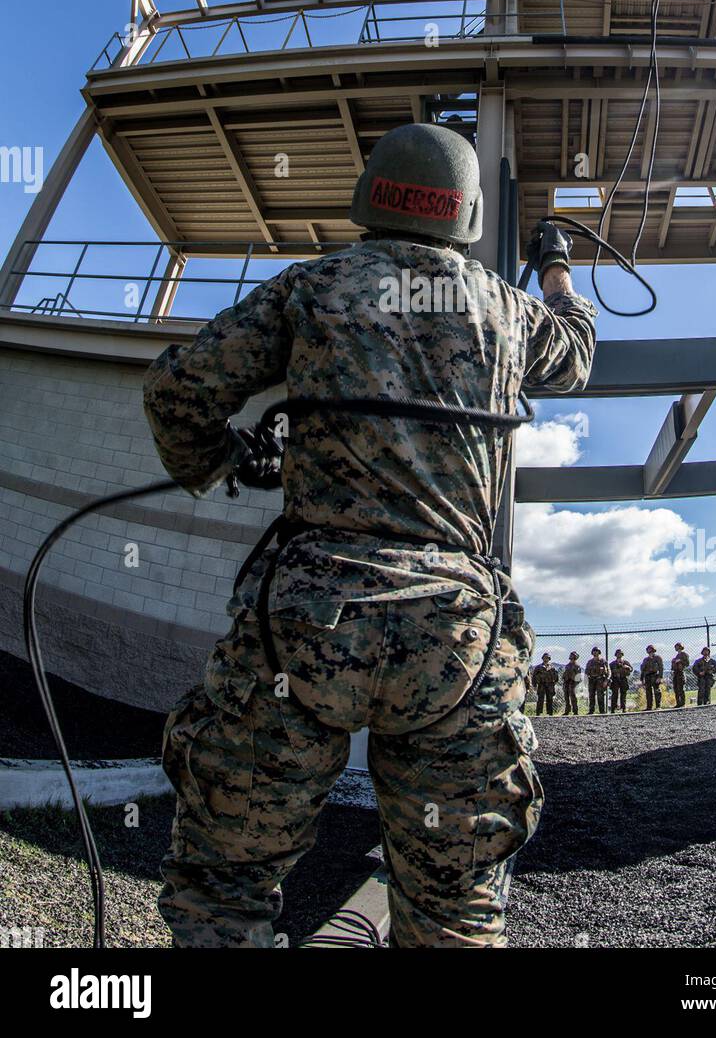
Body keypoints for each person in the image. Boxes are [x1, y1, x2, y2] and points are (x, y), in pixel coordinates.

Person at [143, 121, 598, 949]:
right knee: (455, 916)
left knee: (222, 895)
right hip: (455, 637)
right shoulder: (506, 306)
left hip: (303, 627)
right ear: (464, 213)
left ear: (372, 199)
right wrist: (558, 264)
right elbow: (575, 354)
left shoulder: (313, 285)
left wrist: (223, 465)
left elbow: (177, 392)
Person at [585, 647, 609, 715]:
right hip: (592, 680)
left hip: (600, 680)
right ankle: (591, 711)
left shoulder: (603, 661)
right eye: (594, 651)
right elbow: (586, 672)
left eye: (596, 651)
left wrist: (606, 680)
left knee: (600, 696)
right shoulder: (590, 662)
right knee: (591, 696)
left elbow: (608, 671)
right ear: (592, 653)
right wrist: (586, 681)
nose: (595, 652)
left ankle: (602, 711)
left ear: (599, 652)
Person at [640, 644, 664, 710]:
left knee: (657, 691)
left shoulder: (658, 658)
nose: (650, 652)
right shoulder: (645, 659)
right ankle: (649, 707)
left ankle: (658, 706)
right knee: (648, 692)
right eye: (648, 650)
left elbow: (661, 668)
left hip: (655, 675)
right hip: (647, 676)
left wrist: (660, 677)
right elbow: (642, 670)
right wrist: (642, 679)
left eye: (651, 650)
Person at [609, 649, 632, 713]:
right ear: (616, 655)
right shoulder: (612, 664)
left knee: (623, 694)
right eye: (618, 654)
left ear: (622, 655)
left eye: (620, 654)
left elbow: (631, 669)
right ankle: (613, 709)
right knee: (614, 694)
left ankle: (624, 708)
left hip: (623, 679)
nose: (619, 655)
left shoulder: (625, 662)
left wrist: (627, 667)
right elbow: (608, 671)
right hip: (615, 680)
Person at [562, 651, 582, 716]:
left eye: (573, 656)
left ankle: (575, 711)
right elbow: (564, 675)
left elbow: (578, 677)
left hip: (573, 683)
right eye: (571, 656)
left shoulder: (577, 666)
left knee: (573, 697)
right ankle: (567, 711)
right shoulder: (567, 665)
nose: (571, 658)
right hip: (567, 682)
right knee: (566, 697)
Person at [671, 643, 690, 708]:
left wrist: (680, 661)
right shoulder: (676, 656)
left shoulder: (684, 654)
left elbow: (687, 664)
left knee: (681, 689)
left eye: (677, 647)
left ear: (680, 647)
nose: (676, 648)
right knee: (676, 689)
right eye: (675, 647)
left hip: (681, 672)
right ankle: (678, 703)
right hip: (675, 673)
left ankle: (682, 703)